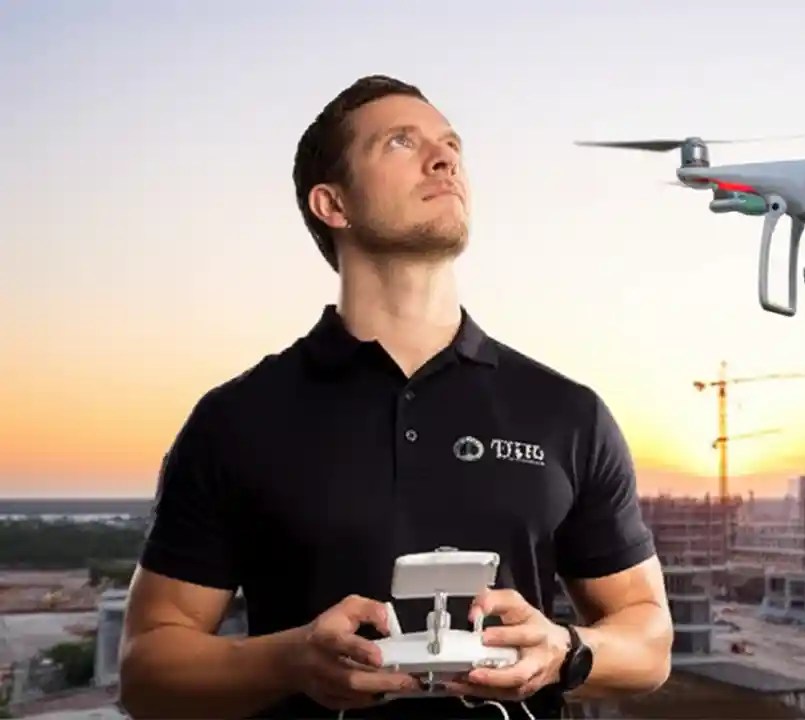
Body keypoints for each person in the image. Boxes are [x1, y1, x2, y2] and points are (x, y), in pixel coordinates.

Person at [117, 75, 673, 719]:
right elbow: (146, 670)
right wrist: (292, 659)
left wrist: (566, 649)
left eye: (451, 144)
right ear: (332, 204)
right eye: (401, 143)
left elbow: (649, 639)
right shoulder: (236, 419)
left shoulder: (568, 413)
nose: (445, 159)